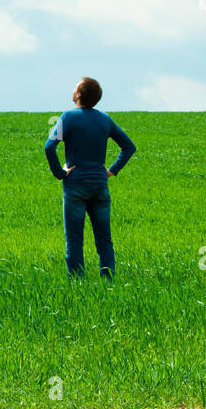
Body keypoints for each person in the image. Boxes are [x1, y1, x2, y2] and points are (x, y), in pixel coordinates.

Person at [44, 78, 136, 278]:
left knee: (75, 240)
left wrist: (60, 173)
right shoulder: (105, 119)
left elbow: (49, 147)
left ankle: (77, 284)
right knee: (104, 239)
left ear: (78, 94)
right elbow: (129, 147)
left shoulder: (67, 117)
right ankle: (109, 282)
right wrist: (111, 170)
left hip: (75, 185)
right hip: (99, 185)